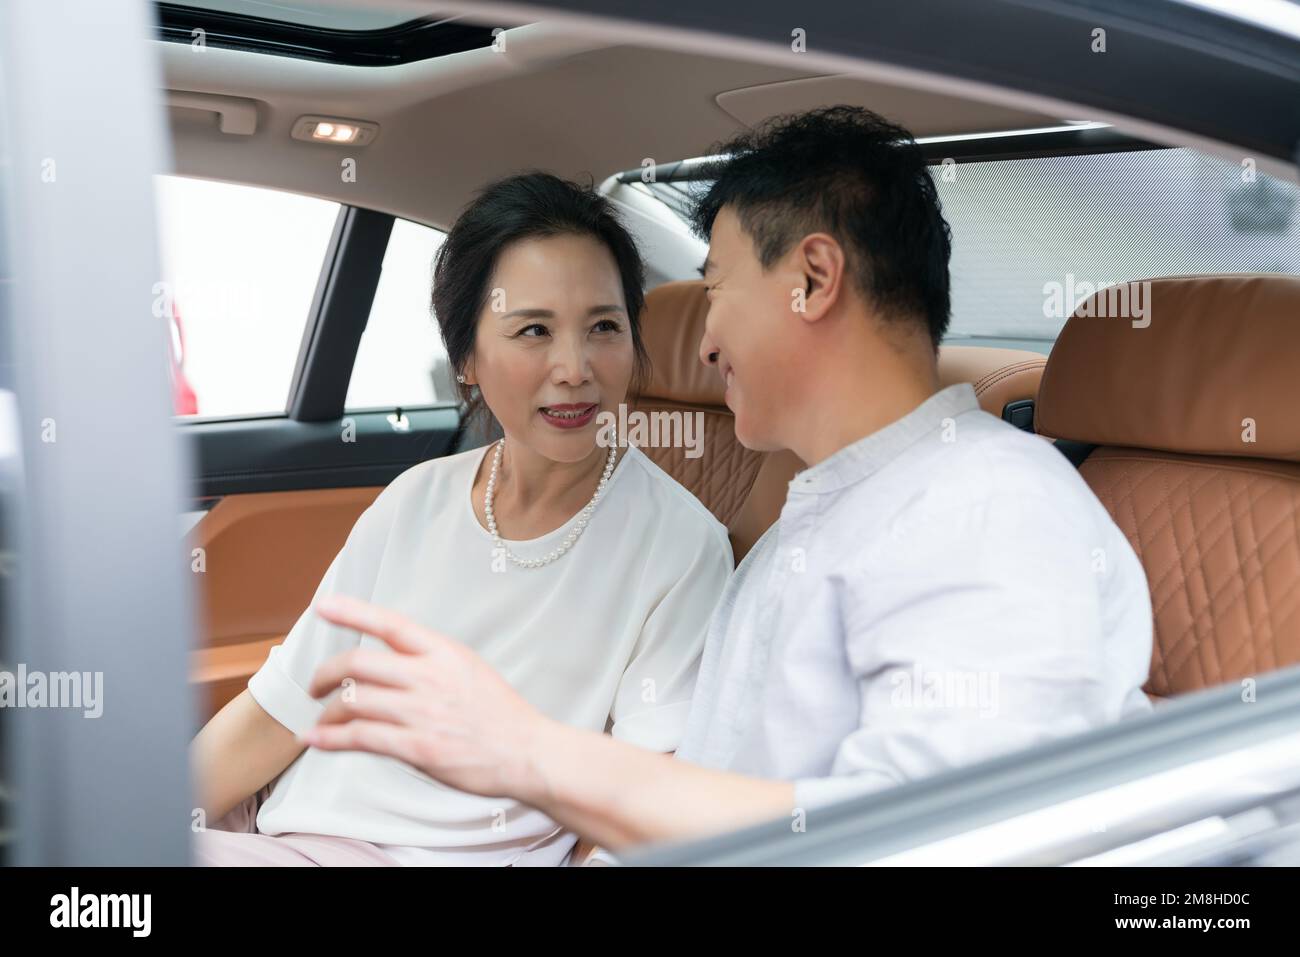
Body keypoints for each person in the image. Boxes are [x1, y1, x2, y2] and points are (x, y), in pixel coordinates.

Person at [298, 106, 1155, 860]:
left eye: (714, 291)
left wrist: (526, 751)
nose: (703, 345)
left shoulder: (991, 507)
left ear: (813, 280)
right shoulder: (808, 526)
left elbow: (935, 835)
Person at [189, 172, 733, 866]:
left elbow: (641, 801)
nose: (575, 367)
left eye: (604, 327)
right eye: (533, 329)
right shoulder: (415, 500)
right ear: (468, 358)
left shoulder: (681, 548)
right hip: (285, 830)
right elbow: (278, 711)